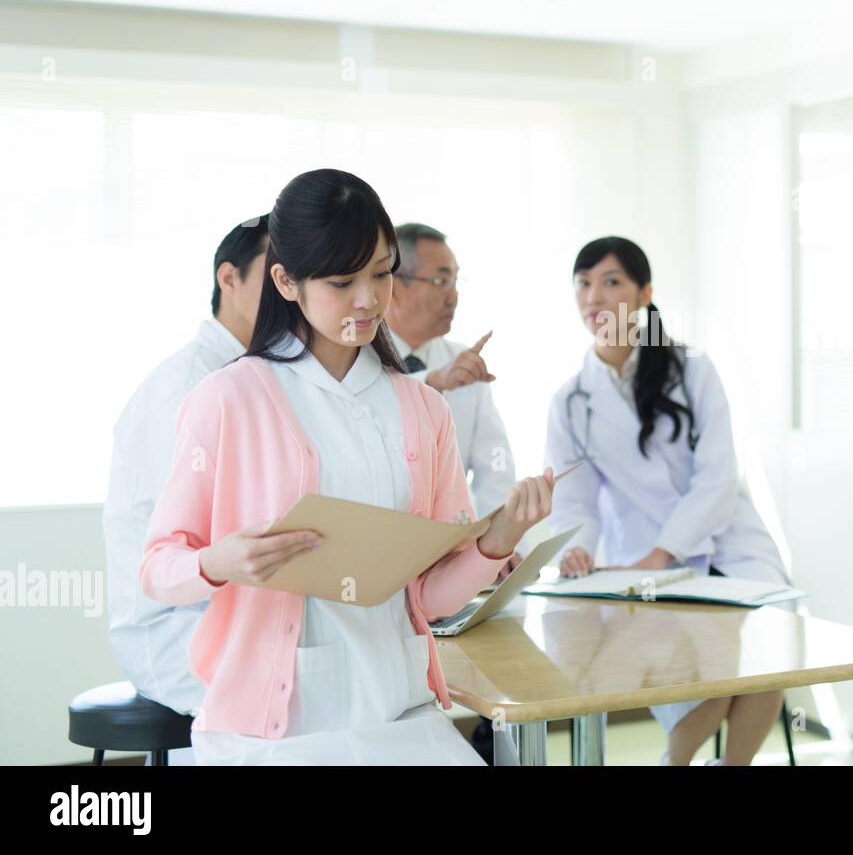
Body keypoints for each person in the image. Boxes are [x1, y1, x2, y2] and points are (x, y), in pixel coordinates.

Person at [139, 169, 555, 765]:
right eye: (342, 281)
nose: (368, 300)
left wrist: (498, 541)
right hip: (276, 732)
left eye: (381, 274)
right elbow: (157, 566)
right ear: (286, 281)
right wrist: (218, 561)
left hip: (400, 711)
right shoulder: (228, 398)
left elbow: (430, 597)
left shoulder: (423, 409)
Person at [544, 236, 790, 766]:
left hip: (728, 542)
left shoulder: (691, 368)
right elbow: (576, 498)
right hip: (638, 555)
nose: (595, 296)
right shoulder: (571, 400)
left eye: (612, 282)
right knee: (709, 670)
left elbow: (719, 474)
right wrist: (578, 550)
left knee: (765, 656)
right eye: (584, 284)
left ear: (644, 293)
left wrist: (665, 553)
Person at [104, 215, 268, 722]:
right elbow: (183, 548)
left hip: (239, 612)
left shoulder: (261, 373)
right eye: (277, 271)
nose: (292, 288)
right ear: (229, 279)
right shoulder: (187, 387)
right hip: (177, 628)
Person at [387, 223, 516, 518]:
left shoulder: (464, 361)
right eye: (440, 281)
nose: (454, 296)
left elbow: (496, 466)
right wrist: (433, 382)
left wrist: (500, 542)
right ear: (393, 288)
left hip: (456, 544)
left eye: (456, 281)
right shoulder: (357, 359)